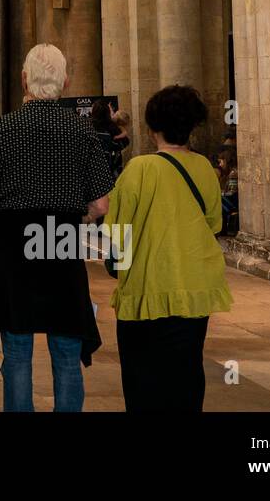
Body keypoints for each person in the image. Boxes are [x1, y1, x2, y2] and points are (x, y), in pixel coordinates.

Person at [0, 44, 113, 412]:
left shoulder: (2, 129)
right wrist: (73, 219)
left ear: (24, 80)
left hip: (14, 247)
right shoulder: (82, 132)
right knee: (66, 351)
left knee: (17, 351)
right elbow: (100, 205)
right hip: (60, 243)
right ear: (65, 82)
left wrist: (3, 214)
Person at [104, 85, 233, 412]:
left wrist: (116, 263)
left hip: (148, 287)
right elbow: (214, 223)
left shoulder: (139, 169)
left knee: (142, 380)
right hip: (193, 287)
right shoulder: (205, 167)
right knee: (187, 374)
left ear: (152, 128)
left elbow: (117, 232)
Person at [90, 99, 128, 178]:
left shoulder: (87, 127)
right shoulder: (113, 128)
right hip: (111, 172)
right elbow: (125, 142)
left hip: (92, 172)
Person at [214, 145, 238, 235]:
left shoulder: (233, 174)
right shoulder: (232, 173)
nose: (220, 165)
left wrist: (220, 193)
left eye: (221, 162)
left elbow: (232, 193)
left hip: (233, 203)